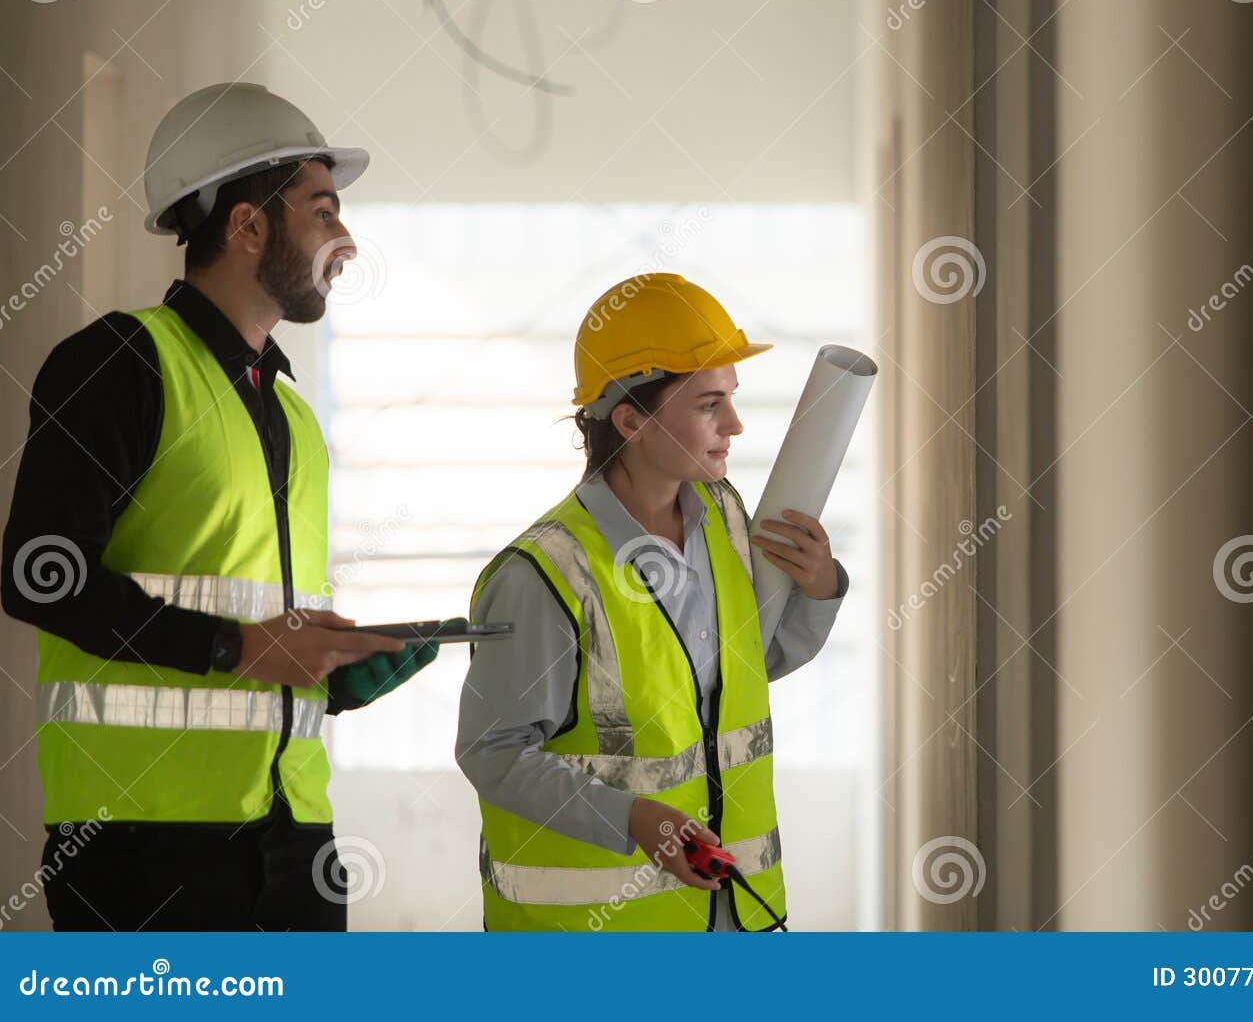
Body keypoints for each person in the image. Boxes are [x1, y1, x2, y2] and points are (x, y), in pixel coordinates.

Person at [1, 83, 436, 931]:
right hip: (143, 845)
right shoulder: (118, 365)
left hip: (295, 838)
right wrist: (238, 646)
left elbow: (247, 627)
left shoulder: (291, 414)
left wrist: (328, 669)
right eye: (322, 211)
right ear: (248, 227)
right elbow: (37, 576)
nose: (344, 240)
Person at [457, 272, 848, 931]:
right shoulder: (546, 574)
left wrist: (819, 589)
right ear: (632, 419)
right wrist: (632, 818)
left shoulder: (724, 518)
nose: (735, 425)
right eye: (708, 405)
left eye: (731, 398)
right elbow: (493, 754)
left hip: (737, 918)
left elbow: (733, 679)